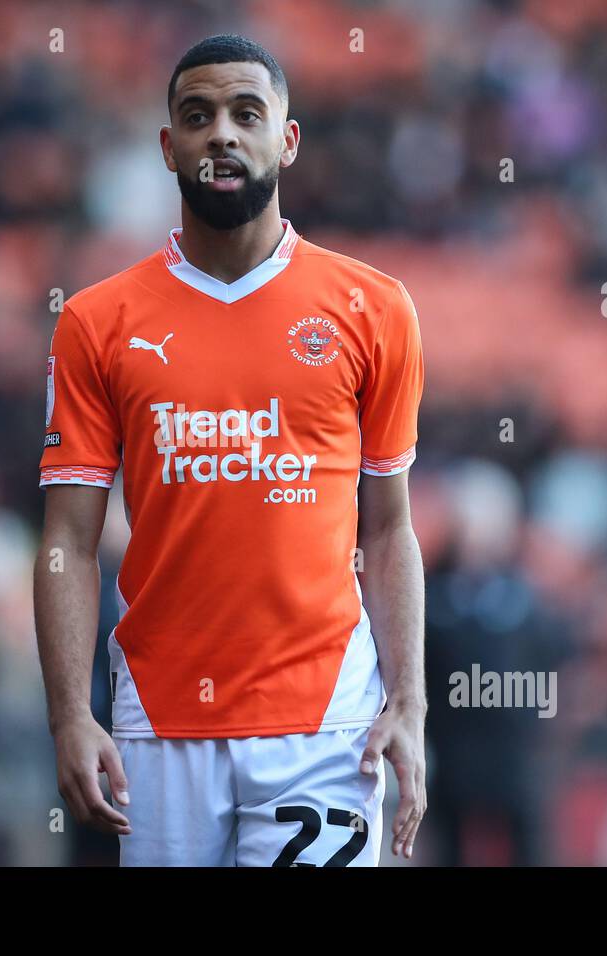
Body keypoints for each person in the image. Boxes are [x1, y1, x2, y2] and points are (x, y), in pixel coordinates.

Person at [34, 35, 427, 866]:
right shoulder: (96, 324)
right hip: (158, 716)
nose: (222, 134)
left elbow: (388, 530)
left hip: (323, 719)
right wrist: (71, 712)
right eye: (198, 115)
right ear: (168, 146)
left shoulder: (374, 309)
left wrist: (411, 701)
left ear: (286, 139)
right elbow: (67, 540)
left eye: (247, 113)